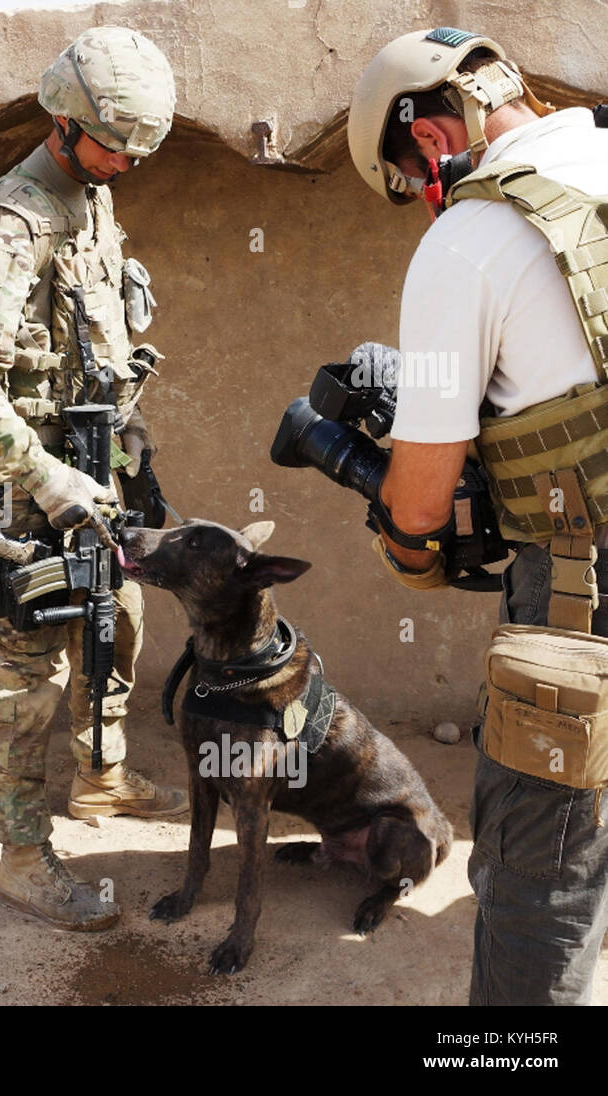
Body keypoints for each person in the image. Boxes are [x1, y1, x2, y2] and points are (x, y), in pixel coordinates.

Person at [347, 26, 608, 1003]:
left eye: (409, 185)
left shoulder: (469, 237)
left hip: (582, 599)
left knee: (536, 877)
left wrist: (406, 546)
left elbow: (417, 497)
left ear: (423, 140)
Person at [0, 26, 188, 931]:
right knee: (20, 671)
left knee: (118, 621)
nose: (125, 164)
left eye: (135, 151)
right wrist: (46, 482)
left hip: (101, 462)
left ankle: (103, 776)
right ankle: (19, 851)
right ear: (65, 121)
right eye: (114, 146)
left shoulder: (92, 198)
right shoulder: (12, 221)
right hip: (30, 483)